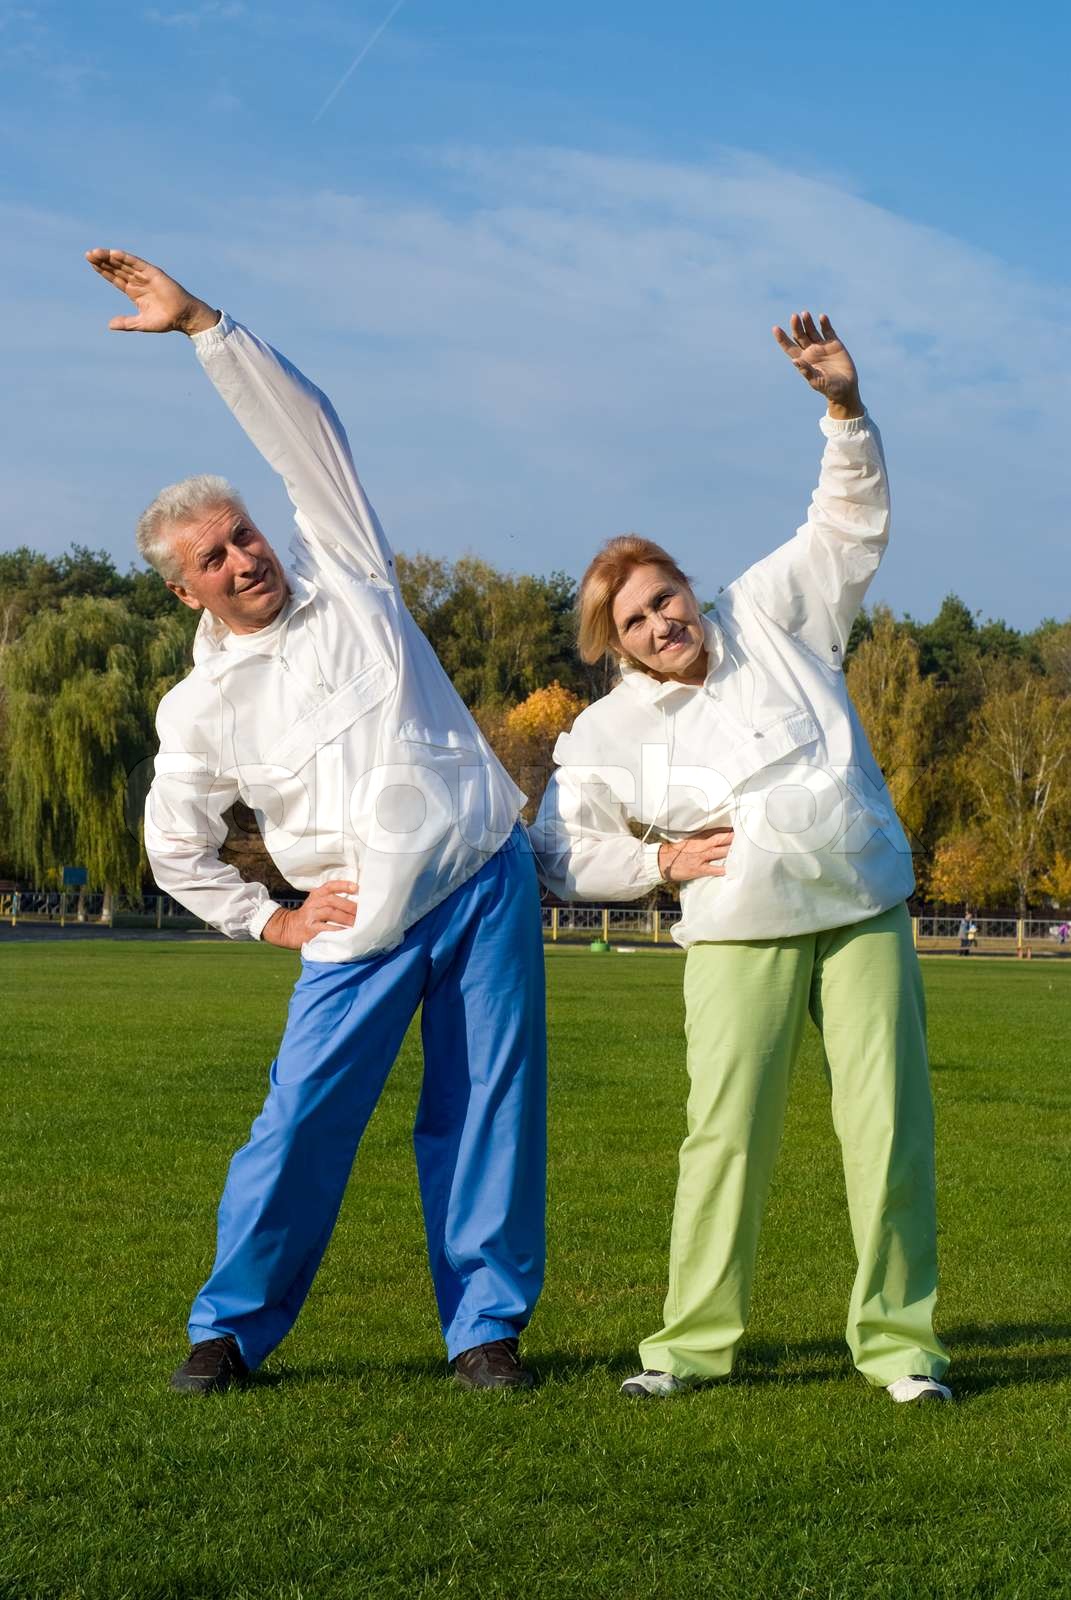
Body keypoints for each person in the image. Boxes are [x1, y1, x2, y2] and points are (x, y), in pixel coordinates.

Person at [86, 248, 546, 1394]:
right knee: (298, 1127)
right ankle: (230, 1328)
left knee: (486, 1111)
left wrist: (204, 328)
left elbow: (310, 434)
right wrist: (270, 921)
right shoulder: (198, 707)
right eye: (213, 557)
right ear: (183, 589)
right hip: (354, 923)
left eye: (242, 535)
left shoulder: (351, 577)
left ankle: (483, 1331)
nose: (244, 558)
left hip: (484, 877)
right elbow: (173, 846)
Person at [532, 311, 951, 1405]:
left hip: (861, 900)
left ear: (689, 587)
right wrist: (661, 866)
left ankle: (902, 1347)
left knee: (890, 1130)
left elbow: (846, 525)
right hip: (735, 929)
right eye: (635, 621)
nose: (663, 623)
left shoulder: (769, 613)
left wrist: (843, 410)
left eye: (665, 596)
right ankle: (689, 1345)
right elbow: (562, 849)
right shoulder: (605, 732)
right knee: (723, 1139)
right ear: (615, 646)